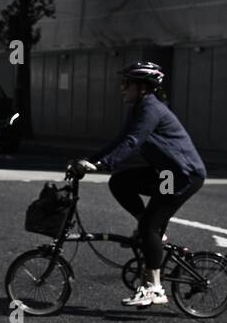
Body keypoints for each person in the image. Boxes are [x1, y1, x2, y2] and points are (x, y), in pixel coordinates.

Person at [70, 61, 207, 307]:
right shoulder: (137, 109)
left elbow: (132, 141)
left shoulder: (151, 109)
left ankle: (155, 288)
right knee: (121, 182)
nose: (122, 88)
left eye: (127, 83)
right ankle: (153, 231)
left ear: (142, 87)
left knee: (148, 229)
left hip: (183, 176)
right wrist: (87, 162)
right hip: (166, 173)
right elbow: (119, 140)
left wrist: (103, 164)